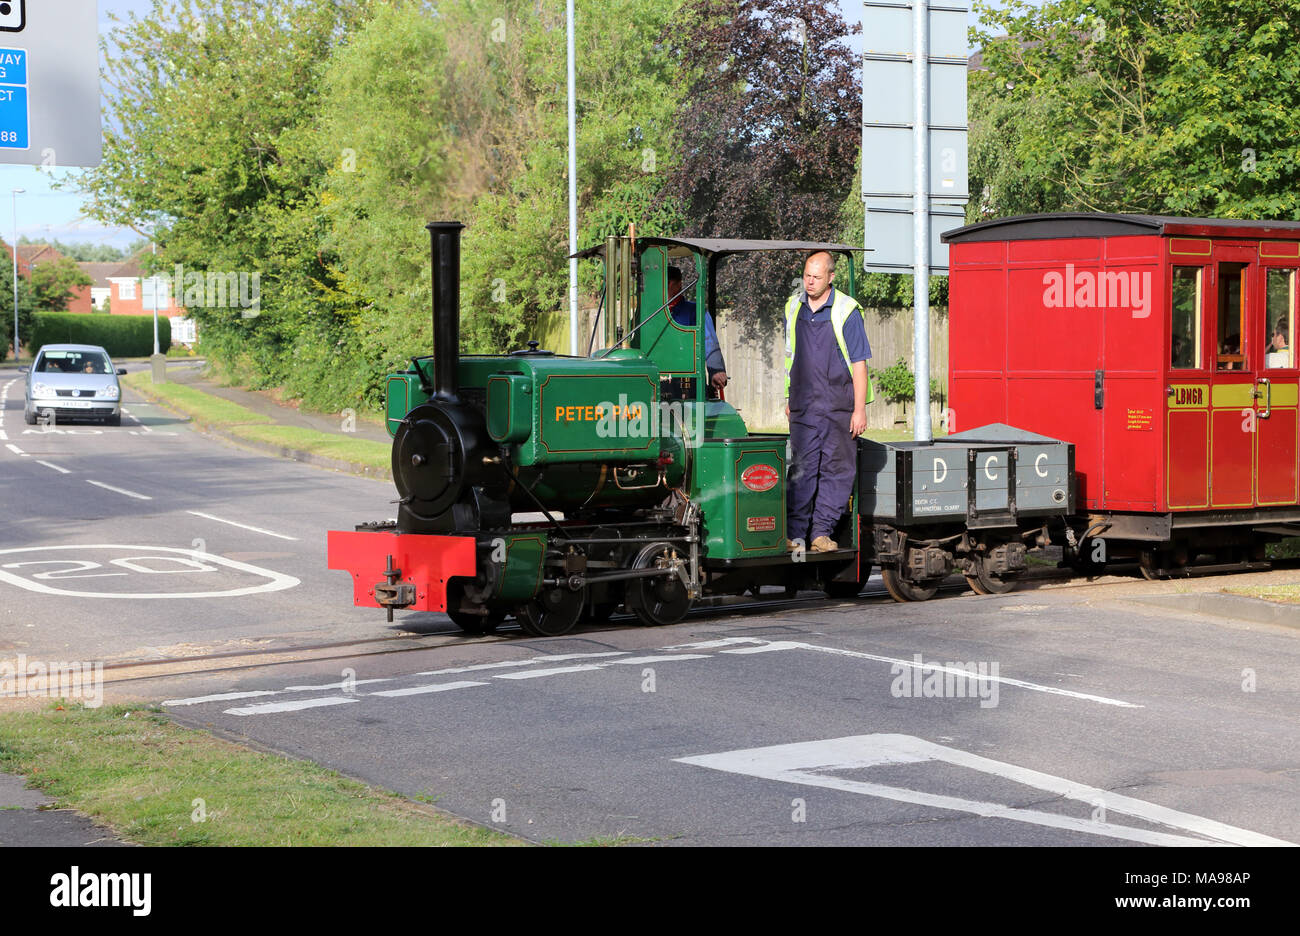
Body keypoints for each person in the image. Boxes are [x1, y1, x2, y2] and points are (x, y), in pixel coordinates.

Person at [784, 250, 872, 553]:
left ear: (831, 277)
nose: (809, 282)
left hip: (838, 406)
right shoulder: (793, 307)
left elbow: (859, 364)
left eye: (816, 277)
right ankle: (795, 535)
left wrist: (859, 410)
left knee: (836, 472)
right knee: (801, 471)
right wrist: (788, 396)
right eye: (807, 275)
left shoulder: (847, 311)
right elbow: (790, 356)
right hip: (804, 407)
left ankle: (821, 533)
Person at [667, 266, 727, 391]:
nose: (665, 289)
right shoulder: (646, 313)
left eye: (669, 284)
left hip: (685, 381)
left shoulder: (695, 311)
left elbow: (708, 340)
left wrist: (716, 370)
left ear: (679, 285)